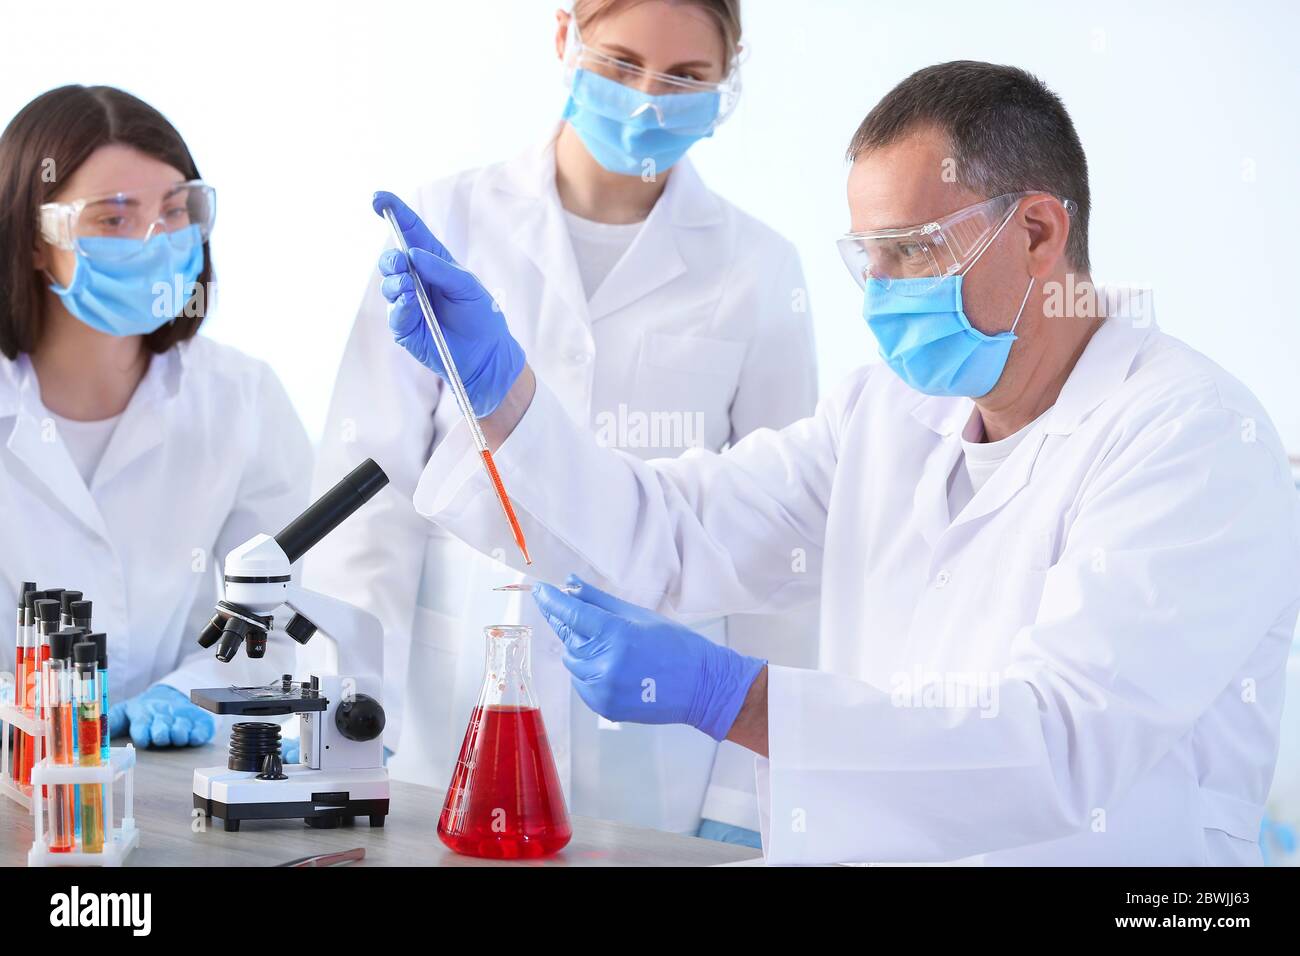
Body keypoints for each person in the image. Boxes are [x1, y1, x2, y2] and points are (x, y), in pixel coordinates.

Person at [374, 60, 1300, 865]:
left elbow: (1057, 744)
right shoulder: (886, 415)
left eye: (915, 252)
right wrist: (498, 391)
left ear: (1038, 233)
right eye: (870, 260)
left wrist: (735, 699)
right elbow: (677, 530)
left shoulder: (1193, 438)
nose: (881, 299)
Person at [307, 0, 817, 843]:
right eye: (620, 63)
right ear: (562, 39)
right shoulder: (452, 223)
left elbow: (783, 547)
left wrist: (743, 796)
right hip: (453, 712)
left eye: (686, 77)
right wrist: (347, 719)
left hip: (667, 750)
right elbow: (364, 508)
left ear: (726, 81)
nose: (649, 99)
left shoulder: (760, 267)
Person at [0, 86, 311, 748]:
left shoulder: (241, 399)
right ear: (32, 239)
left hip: (170, 781)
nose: (155, 241)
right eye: (113, 220)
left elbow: (279, 619)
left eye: (174, 212)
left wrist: (191, 689)